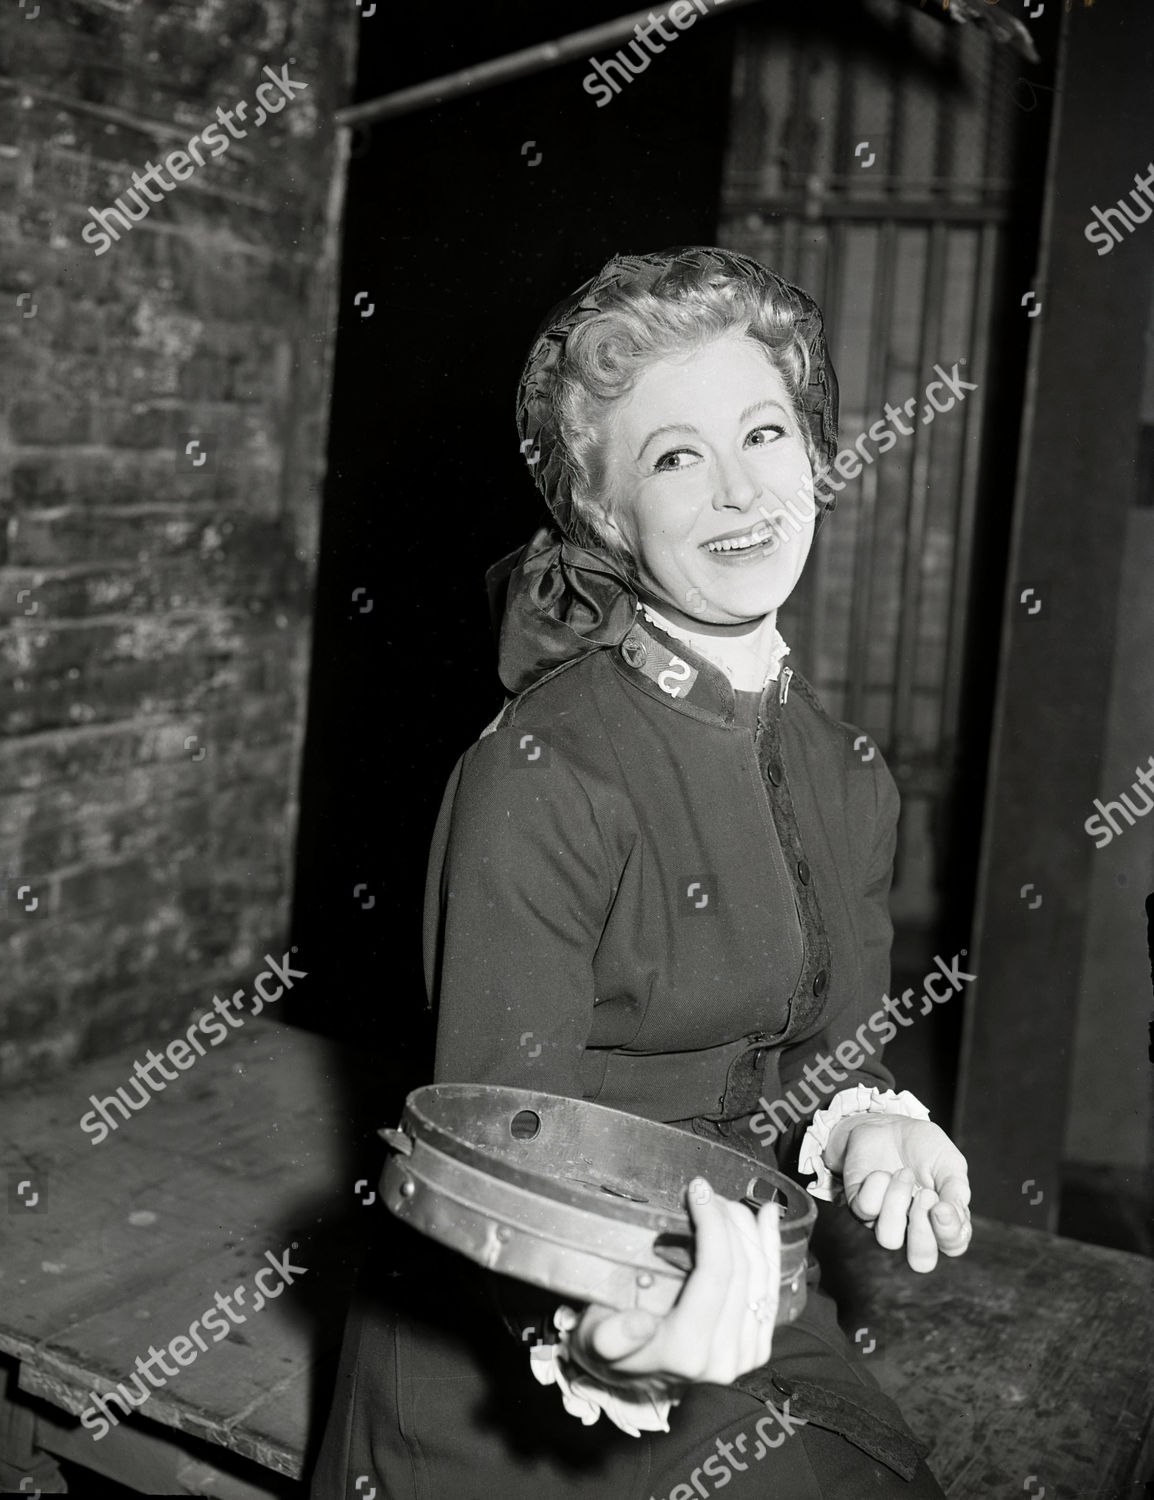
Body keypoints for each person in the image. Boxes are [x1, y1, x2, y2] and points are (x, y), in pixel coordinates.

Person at [313, 246, 972, 1499]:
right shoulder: (541, 773)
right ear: (609, 518)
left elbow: (832, 1049)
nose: (741, 490)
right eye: (676, 458)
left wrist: (872, 1124)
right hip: (522, 1330)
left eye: (766, 433)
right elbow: (494, 1154)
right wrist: (611, 1351)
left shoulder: (849, 770)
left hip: (747, 1283)